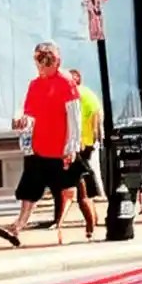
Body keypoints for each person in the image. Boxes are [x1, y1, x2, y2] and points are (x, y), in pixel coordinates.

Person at [0, 41, 81, 247]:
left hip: (62, 147)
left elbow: (73, 117)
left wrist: (72, 146)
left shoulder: (66, 82)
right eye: (39, 62)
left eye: (46, 62)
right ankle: (17, 227)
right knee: (30, 187)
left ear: (56, 61)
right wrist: (21, 120)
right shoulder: (35, 84)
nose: (42, 67)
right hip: (41, 146)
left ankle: (77, 228)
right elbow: (30, 113)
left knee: (73, 190)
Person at [48, 68, 103, 240]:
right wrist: (94, 140)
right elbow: (96, 121)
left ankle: (88, 227)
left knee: (78, 190)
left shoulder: (70, 96)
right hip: (84, 145)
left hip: (73, 147)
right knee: (79, 188)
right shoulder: (90, 95)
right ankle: (90, 223)